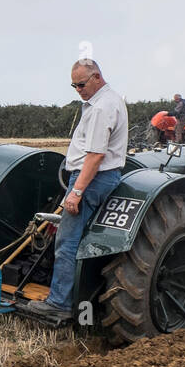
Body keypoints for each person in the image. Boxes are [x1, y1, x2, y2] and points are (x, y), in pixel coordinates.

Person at [26, 58, 128, 322]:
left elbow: (95, 155)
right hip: (96, 178)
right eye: (74, 85)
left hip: (92, 179)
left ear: (97, 77)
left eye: (81, 84)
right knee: (70, 239)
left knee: (67, 242)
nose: (78, 90)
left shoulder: (101, 107)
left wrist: (77, 191)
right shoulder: (107, 101)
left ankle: (59, 302)